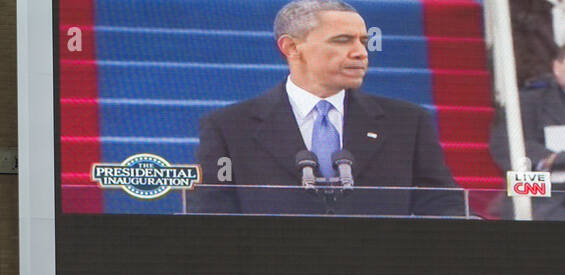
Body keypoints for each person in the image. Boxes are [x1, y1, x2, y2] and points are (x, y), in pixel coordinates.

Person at [187, 0, 463, 217]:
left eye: (363, 42)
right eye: (342, 40)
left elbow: (443, 204)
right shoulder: (229, 126)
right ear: (292, 47)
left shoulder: (407, 121)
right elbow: (211, 214)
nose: (361, 53)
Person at [488, 34, 565, 221]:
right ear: (557, 67)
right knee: (518, 186)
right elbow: (506, 149)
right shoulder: (525, 102)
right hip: (545, 197)